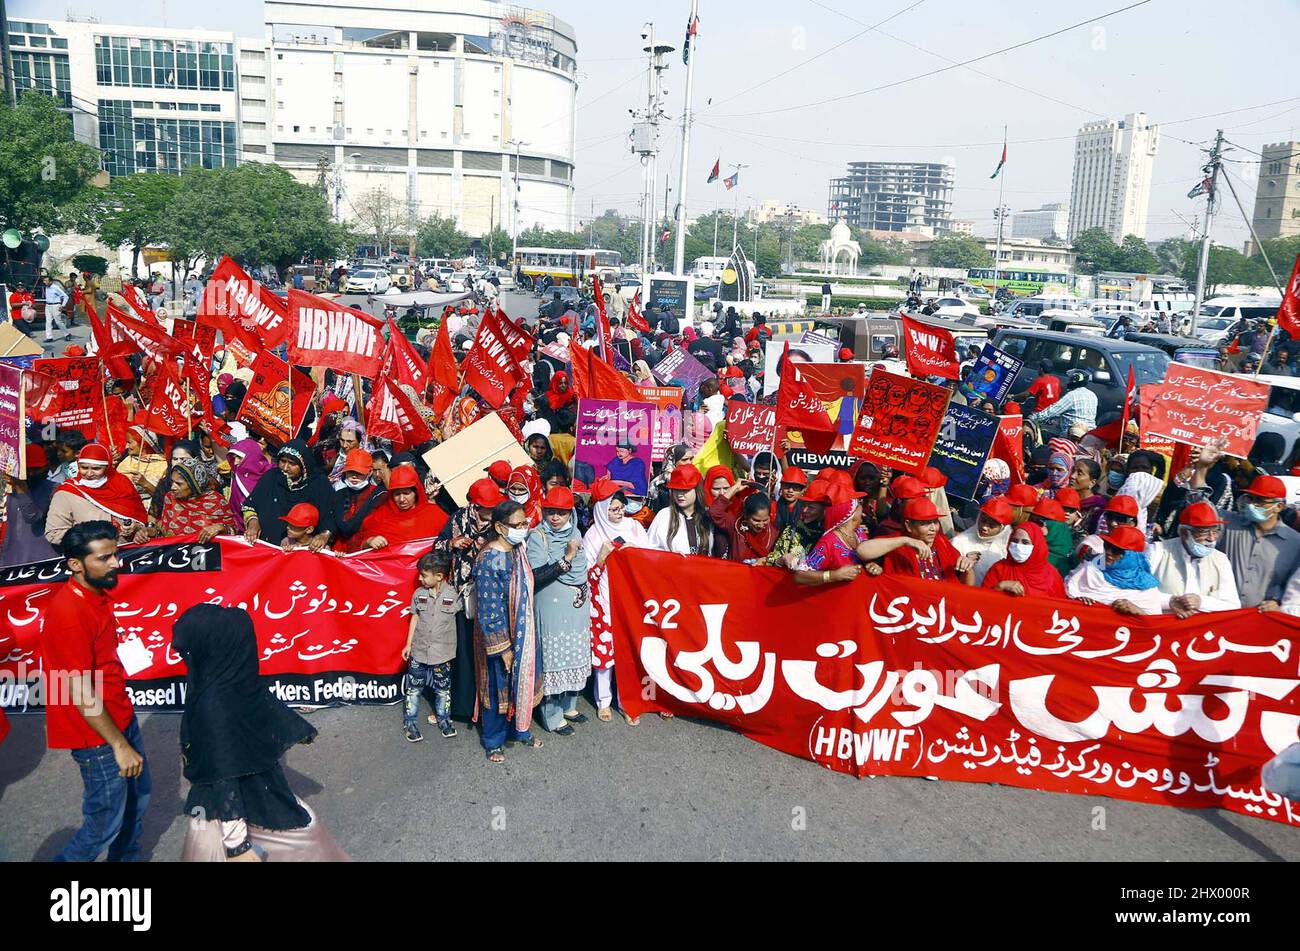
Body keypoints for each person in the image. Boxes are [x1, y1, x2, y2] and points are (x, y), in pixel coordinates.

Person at [174, 604, 347, 863]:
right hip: (233, 815)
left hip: (247, 803)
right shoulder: (217, 703)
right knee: (311, 847)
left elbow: (262, 704)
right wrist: (237, 847)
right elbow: (224, 773)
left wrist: (297, 731)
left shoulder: (228, 687)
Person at [41, 521, 150, 861]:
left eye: (115, 554)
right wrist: (119, 745)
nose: (116, 563)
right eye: (104, 558)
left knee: (136, 803)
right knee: (104, 825)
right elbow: (76, 687)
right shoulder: (68, 612)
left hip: (119, 716)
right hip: (98, 736)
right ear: (75, 564)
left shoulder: (96, 593)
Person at [472, 500, 544, 762]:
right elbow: (489, 609)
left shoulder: (517, 548)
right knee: (497, 687)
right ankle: (493, 740)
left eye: (525, 523)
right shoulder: (490, 559)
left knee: (520, 683)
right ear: (500, 528)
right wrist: (502, 648)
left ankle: (519, 730)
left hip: (522, 632)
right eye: (517, 525)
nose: (523, 528)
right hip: (499, 638)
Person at [582, 480, 650, 724]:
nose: (619, 512)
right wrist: (602, 558)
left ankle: (628, 701)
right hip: (604, 601)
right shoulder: (592, 535)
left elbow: (652, 560)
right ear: (601, 510)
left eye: (622, 507)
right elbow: (587, 576)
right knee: (605, 657)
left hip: (632, 601)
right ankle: (604, 701)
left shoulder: (634, 528)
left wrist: (635, 552)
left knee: (629, 654)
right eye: (613, 508)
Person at [525, 486, 591, 735]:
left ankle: (568, 705)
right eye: (551, 511)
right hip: (551, 610)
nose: (555, 517)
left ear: (570, 514)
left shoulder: (575, 533)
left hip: (576, 609)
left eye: (561, 513)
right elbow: (537, 574)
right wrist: (567, 557)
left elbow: (580, 571)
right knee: (553, 660)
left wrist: (572, 557)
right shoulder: (537, 536)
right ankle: (551, 715)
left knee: (573, 655)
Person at [1219, 474, 1300, 611]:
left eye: (1260, 501)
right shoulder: (1229, 523)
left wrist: (1277, 602)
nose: (1252, 505)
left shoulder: (1295, 543)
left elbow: (1293, 587)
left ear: (1279, 506)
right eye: (1251, 499)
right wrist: (1200, 470)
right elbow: (1198, 507)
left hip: (1260, 619)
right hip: (1221, 612)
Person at [402, 552, 460, 742]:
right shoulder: (419, 594)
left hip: (442, 654)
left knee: (443, 690)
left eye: (424, 575)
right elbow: (415, 617)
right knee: (414, 689)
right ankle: (410, 723)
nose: (419, 578)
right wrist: (408, 644)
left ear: (439, 576)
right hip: (419, 652)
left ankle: (444, 720)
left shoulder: (454, 594)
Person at [1147, 502, 1241, 616]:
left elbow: (1233, 605)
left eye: (1215, 531)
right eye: (1204, 532)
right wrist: (1169, 602)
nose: (1211, 538)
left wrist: (1201, 602)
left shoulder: (1221, 560)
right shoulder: (1157, 551)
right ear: (1184, 532)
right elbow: (1136, 593)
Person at [46, 443, 150, 547]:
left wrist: (137, 529)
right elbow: (53, 533)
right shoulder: (66, 492)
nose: (89, 473)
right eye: (84, 467)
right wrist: (93, 537)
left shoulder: (122, 485)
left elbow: (139, 517)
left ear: (107, 467)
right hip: (89, 557)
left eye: (96, 469)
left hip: (128, 554)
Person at [242, 440, 339, 550]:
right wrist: (253, 523)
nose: (285, 467)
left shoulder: (318, 483)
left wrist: (325, 535)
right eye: (283, 461)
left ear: (304, 465)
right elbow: (249, 505)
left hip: (304, 551)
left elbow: (332, 514)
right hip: (267, 548)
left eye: (292, 463)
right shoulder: (271, 477)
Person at [1065, 523, 1165, 615]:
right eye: (1107, 545)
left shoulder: (1147, 588)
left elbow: (1154, 626)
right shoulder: (1089, 570)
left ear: (1133, 556)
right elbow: (1065, 596)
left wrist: (1139, 612)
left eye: (1117, 550)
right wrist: (1077, 600)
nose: (1108, 552)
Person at [881, 498, 976, 583]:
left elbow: (966, 586)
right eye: (925, 523)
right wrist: (905, 541)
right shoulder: (897, 543)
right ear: (908, 525)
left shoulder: (941, 541)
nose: (933, 528)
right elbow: (865, 551)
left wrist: (968, 569)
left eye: (935, 522)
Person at [357, 465, 448, 549]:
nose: (401, 499)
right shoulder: (380, 516)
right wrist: (370, 541)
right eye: (397, 494)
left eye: (406, 493)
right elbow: (359, 543)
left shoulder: (434, 514)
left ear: (416, 493)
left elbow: (448, 540)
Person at [1, 444, 58, 567]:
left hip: (43, 560)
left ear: (46, 466)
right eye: (27, 469)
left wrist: (22, 490)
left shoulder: (53, 489)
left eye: (36, 469)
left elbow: (32, 517)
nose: (31, 474)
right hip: (11, 561)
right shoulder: (6, 488)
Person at [648, 464, 722, 556]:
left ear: (697, 490)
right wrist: (668, 555)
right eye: (676, 490)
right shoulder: (664, 515)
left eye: (685, 490)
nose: (679, 495)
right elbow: (649, 549)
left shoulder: (707, 515)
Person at [982, 522, 1066, 599]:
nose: (1018, 546)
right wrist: (1000, 586)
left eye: (1025, 542)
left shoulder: (1052, 575)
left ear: (1037, 545)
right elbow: (982, 601)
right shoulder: (999, 568)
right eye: (1014, 541)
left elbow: (1060, 609)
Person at [156, 457, 232, 542]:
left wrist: (221, 528)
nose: (172, 487)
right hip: (174, 552)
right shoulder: (170, 498)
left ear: (194, 485)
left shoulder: (216, 501)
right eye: (172, 482)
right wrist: (150, 531)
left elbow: (233, 533)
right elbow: (163, 531)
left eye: (179, 484)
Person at [332, 449, 388, 552]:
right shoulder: (338, 495)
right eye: (350, 472)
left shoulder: (379, 496)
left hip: (367, 550)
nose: (354, 476)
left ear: (370, 472)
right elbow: (342, 528)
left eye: (359, 472)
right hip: (339, 552)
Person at [709, 482, 778, 563]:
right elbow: (715, 512)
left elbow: (777, 558)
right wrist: (735, 488)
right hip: (736, 573)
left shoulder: (774, 531)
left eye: (765, 520)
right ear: (746, 516)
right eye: (756, 520)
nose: (761, 525)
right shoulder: (736, 525)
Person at [952, 496, 1013, 585]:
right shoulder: (959, 542)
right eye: (983, 520)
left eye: (991, 525)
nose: (984, 527)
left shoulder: (1008, 548)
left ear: (1002, 528)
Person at [1030, 368, 1097, 436]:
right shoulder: (1092, 395)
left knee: (1044, 433)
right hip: (1089, 433)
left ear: (1074, 380)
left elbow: (1052, 411)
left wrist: (1033, 417)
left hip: (1072, 434)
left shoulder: (1072, 395)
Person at [1029, 497, 1074, 575]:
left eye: (1040, 522)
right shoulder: (1024, 547)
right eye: (1032, 520)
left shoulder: (1069, 556)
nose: (1034, 526)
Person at [42, 274, 71, 342]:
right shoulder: (46, 287)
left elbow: (65, 296)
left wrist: (62, 305)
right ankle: (49, 337)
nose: (44, 282)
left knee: (58, 322)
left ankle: (66, 334)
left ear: (51, 281)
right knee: (48, 322)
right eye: (44, 280)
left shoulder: (55, 287)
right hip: (48, 305)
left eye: (46, 280)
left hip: (55, 305)